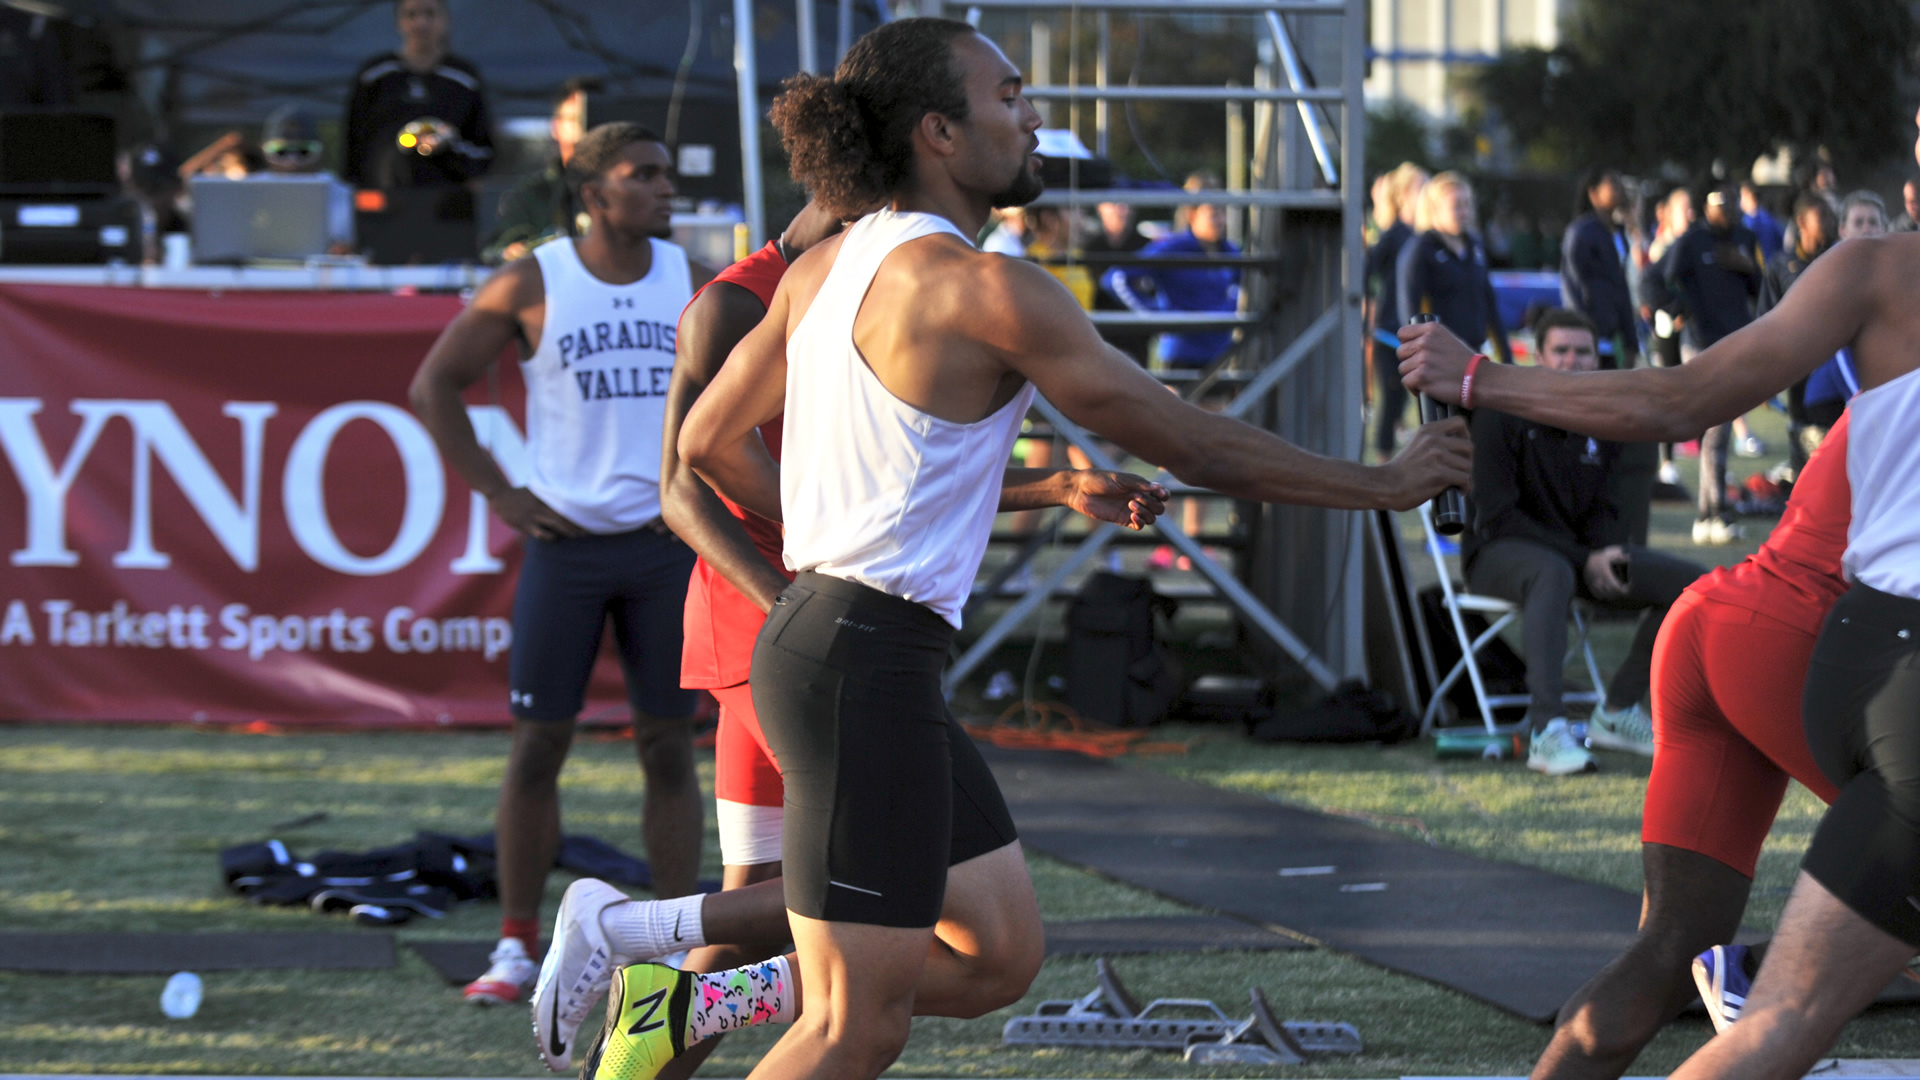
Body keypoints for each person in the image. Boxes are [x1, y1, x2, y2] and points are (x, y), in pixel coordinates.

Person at [580, 19, 1472, 1080]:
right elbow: (1188, 439)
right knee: (852, 1027)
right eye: (1010, 97)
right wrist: (1382, 482)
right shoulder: (986, 290)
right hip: (855, 654)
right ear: (939, 134)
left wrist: (835, 533)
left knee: (1000, 956)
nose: (1035, 116)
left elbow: (706, 444)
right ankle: (632, 937)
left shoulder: (822, 269)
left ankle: (661, 976)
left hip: (850, 645)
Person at [518, 198, 1171, 1078]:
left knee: (856, 932)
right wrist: (793, 598)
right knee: (875, 940)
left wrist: (1047, 485)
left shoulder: (864, 281)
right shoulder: (744, 301)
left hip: (825, 628)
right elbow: (683, 483)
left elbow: (898, 481)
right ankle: (626, 932)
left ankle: (644, 962)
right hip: (784, 627)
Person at [1398, 218, 1920, 1080]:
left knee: (1673, 947)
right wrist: (1481, 378)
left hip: (1725, 624)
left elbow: (1678, 399)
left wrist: (1480, 378)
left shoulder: (1874, 272)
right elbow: (1675, 403)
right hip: (1821, 644)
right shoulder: (1881, 273)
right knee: (1787, 1014)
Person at [408, 123, 712, 1007]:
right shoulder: (533, 279)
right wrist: (501, 495)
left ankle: (667, 948)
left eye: (665, 173)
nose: (665, 189)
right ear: (592, 192)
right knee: (539, 743)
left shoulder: (688, 279)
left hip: (663, 547)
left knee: (667, 745)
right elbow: (433, 386)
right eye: (642, 175)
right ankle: (514, 946)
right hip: (566, 549)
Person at [1529, 414, 1852, 1080]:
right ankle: (1762, 972)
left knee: (1669, 950)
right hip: (1792, 636)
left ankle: (1755, 973)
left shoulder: (1889, 377)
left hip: (1716, 615)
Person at [1463, 308, 1703, 775]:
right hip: (1498, 554)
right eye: (1561, 351)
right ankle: (1546, 731)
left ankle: (1616, 711)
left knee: (1691, 584)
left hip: (1578, 560)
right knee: (1550, 572)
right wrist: (1583, 558)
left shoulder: (1607, 418)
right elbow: (1495, 518)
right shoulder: (1498, 412)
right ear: (1537, 356)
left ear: (1597, 359)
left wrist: (1609, 554)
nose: (1572, 361)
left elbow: (1612, 511)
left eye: (1583, 352)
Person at [1642, 184, 1763, 545]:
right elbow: (1652, 280)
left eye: (1733, 205)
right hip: (1702, 344)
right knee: (1717, 427)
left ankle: (1711, 512)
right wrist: (1678, 308)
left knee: (1717, 430)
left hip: (1736, 342)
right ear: (1708, 209)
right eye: (1721, 205)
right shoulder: (1693, 241)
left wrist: (1747, 267)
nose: (1729, 212)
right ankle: (1712, 513)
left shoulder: (1745, 237)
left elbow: (1762, 289)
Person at [343, 0, 493, 191]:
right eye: (411, 15)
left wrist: (448, 145)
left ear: (445, 20)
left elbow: (483, 150)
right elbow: (353, 143)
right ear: (399, 22)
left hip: (447, 202)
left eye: (430, 14)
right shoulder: (375, 76)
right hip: (383, 199)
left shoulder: (464, 79)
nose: (421, 23)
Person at [1102, 172, 1244, 370]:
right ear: (1192, 214)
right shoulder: (1171, 248)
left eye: (1224, 212)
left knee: (1228, 402)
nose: (1222, 220)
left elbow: (1245, 288)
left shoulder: (1231, 251)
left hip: (1222, 354)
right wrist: (1157, 316)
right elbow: (1116, 279)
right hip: (1182, 355)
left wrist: (1231, 308)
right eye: (1214, 212)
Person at [1397, 171, 1511, 365]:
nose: (1465, 213)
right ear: (1435, 209)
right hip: (1440, 358)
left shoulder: (1474, 245)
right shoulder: (1420, 249)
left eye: (1467, 204)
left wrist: (1507, 355)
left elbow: (1489, 302)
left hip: (1476, 354)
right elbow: (1409, 310)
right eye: (1457, 206)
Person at [1761, 195, 1837, 481]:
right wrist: (1765, 379)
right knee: (1802, 438)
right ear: (1802, 222)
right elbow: (1765, 322)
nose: (1829, 223)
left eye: (1831, 217)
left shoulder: (1839, 259)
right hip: (1798, 370)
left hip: (1835, 367)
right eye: (1823, 217)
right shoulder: (1781, 265)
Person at [483, 78, 597, 265]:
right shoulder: (533, 193)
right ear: (556, 126)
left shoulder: (631, 189)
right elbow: (495, 251)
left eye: (592, 118)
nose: (585, 128)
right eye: (575, 119)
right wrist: (514, 252)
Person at [1366, 162, 1429, 457]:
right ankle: (1382, 479)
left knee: (1418, 407)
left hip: (1419, 333)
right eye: (1421, 188)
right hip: (1390, 332)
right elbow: (1365, 272)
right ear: (1405, 195)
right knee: (1390, 405)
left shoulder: (1427, 236)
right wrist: (1366, 310)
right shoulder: (1393, 234)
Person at [1561, 167, 1639, 370]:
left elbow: (1621, 289)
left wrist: (1631, 341)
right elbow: (1572, 285)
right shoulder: (1581, 232)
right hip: (1589, 340)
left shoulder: (1619, 234)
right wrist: (1581, 334)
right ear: (1593, 193)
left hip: (1612, 339)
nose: (1619, 188)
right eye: (1612, 183)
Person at [1740, 182, 1785, 261]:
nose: (1740, 200)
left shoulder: (1747, 222)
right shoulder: (1769, 218)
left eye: (1741, 195)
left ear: (1749, 195)